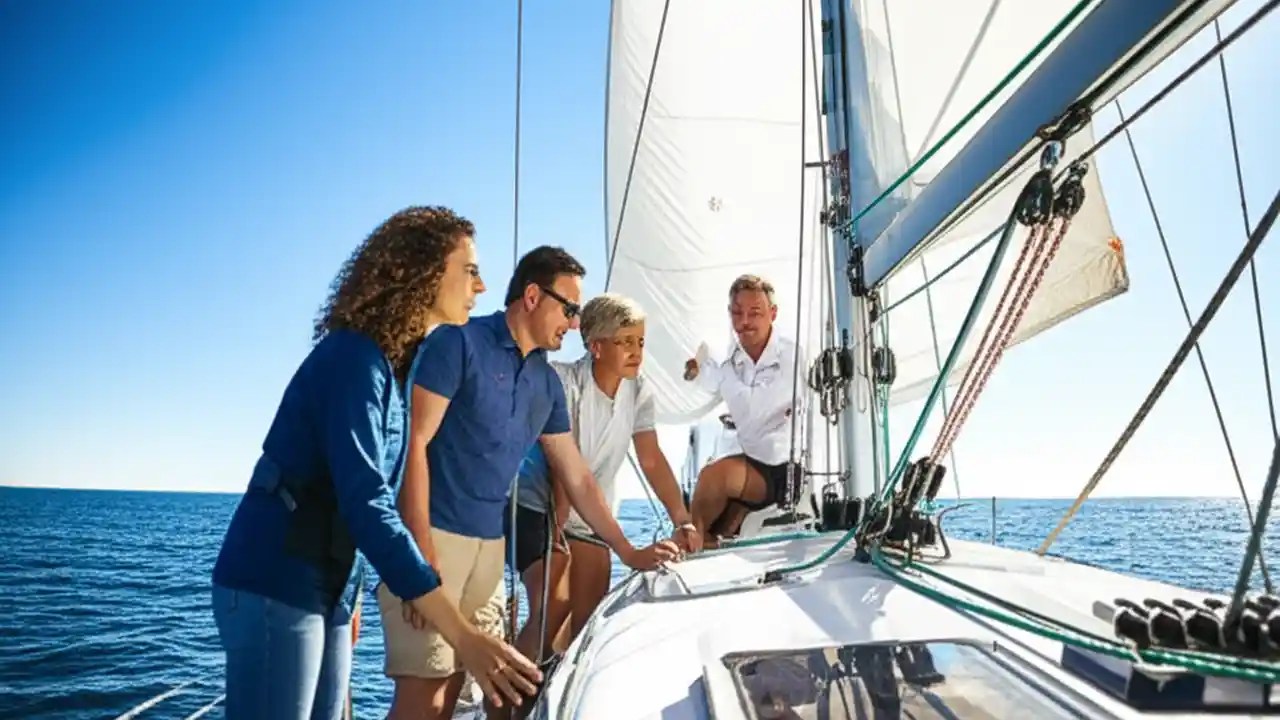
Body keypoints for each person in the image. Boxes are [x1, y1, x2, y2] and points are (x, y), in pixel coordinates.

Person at [210, 206, 540, 720]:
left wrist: (355, 591)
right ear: (424, 272)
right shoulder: (353, 360)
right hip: (275, 579)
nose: (480, 287)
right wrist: (463, 636)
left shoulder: (392, 370)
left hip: (332, 587)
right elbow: (365, 501)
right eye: (469, 270)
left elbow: (369, 498)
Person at [380, 246, 681, 720]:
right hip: (435, 538)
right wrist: (419, 555)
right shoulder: (458, 345)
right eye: (570, 309)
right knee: (423, 700)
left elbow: (577, 475)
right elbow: (412, 444)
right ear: (533, 296)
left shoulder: (545, 382)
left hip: (489, 550)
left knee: (458, 691)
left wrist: (629, 553)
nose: (576, 323)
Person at [507, 293, 702, 662]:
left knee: (586, 624)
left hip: (592, 513)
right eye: (624, 341)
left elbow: (652, 459)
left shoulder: (639, 390)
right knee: (553, 609)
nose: (636, 351)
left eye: (640, 342)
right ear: (595, 346)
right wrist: (559, 527)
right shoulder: (563, 383)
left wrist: (683, 519)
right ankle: (506, 703)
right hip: (539, 507)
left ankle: (552, 690)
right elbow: (561, 467)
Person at [683, 274, 806, 546]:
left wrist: (726, 381)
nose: (745, 322)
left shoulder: (793, 357)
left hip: (784, 471)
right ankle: (699, 541)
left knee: (713, 476)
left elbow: (757, 412)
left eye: (755, 313)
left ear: (772, 314)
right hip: (752, 465)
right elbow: (711, 380)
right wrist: (696, 371)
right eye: (737, 313)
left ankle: (693, 542)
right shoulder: (733, 363)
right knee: (717, 513)